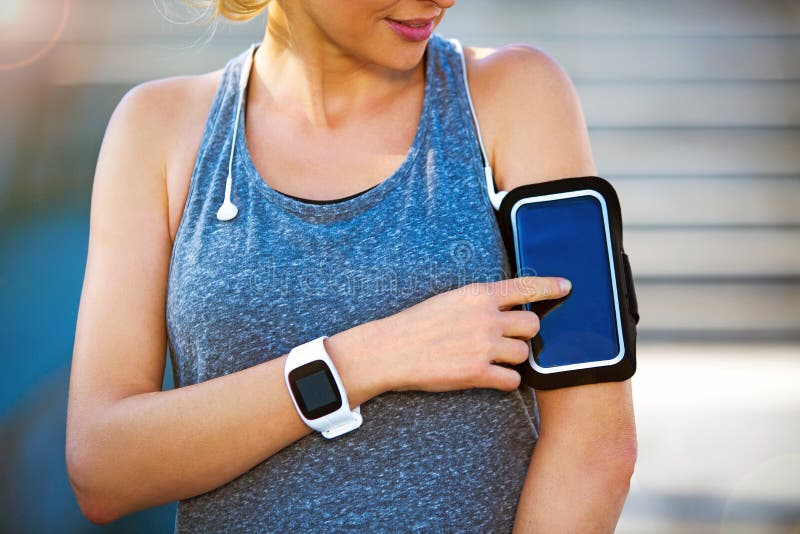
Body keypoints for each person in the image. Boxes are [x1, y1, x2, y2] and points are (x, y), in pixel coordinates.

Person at [66, 0, 637, 531]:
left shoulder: (517, 95)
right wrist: (366, 359)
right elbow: (102, 467)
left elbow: (596, 444)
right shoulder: (157, 128)